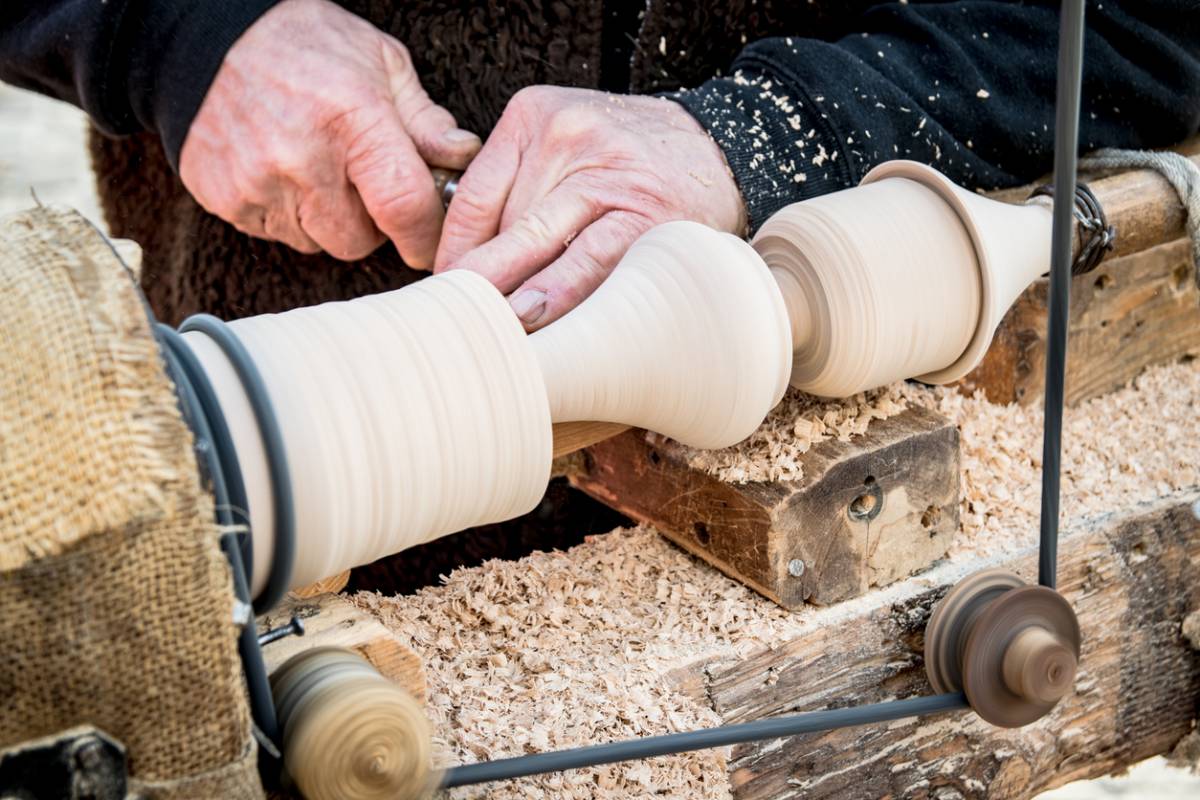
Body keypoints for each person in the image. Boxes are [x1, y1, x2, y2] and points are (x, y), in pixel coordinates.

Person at [3, 0, 1198, 331]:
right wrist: (173, 35)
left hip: (800, 397)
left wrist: (768, 127)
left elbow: (1158, 25)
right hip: (290, 379)